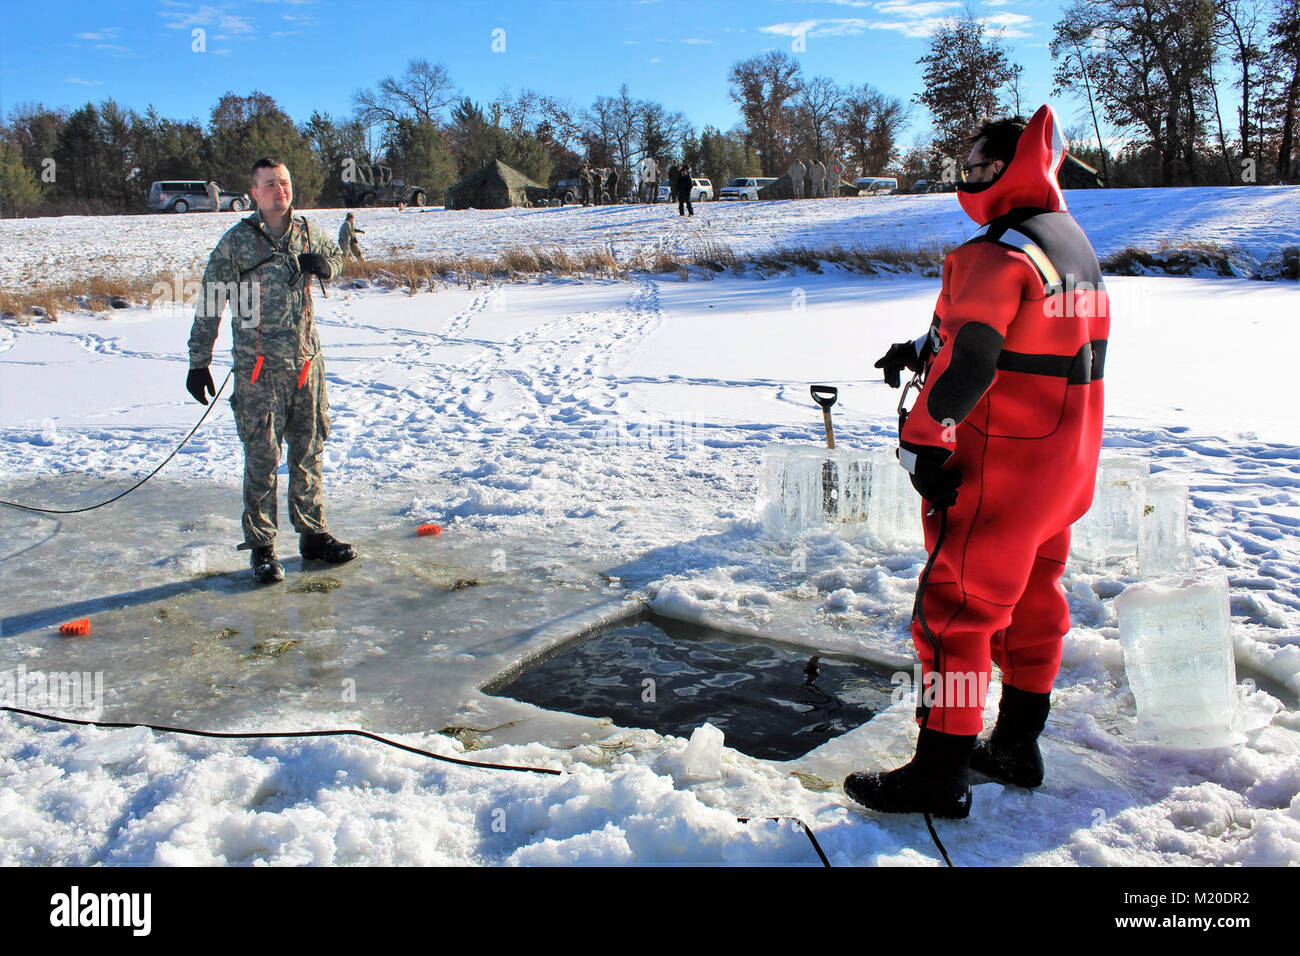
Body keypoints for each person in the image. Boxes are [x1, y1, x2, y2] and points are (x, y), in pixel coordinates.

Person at [845, 104, 1108, 818]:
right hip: (1064, 471)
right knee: (1032, 602)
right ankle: (1017, 747)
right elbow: (1021, 340)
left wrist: (924, 442)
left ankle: (938, 774)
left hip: (1004, 471)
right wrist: (919, 348)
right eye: (962, 168)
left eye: (978, 167)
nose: (966, 178)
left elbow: (974, 360)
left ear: (1016, 166)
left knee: (955, 615)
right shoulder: (1068, 244)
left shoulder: (992, 253)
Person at [186, 157, 356, 585]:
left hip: (306, 366)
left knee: (309, 451)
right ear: (255, 193)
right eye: (269, 184)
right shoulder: (237, 242)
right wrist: (198, 361)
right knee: (262, 458)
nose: (279, 190)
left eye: (284, 182)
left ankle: (313, 535)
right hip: (259, 371)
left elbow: (337, 257)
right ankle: (262, 547)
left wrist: (327, 267)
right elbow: (211, 301)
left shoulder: (307, 231)